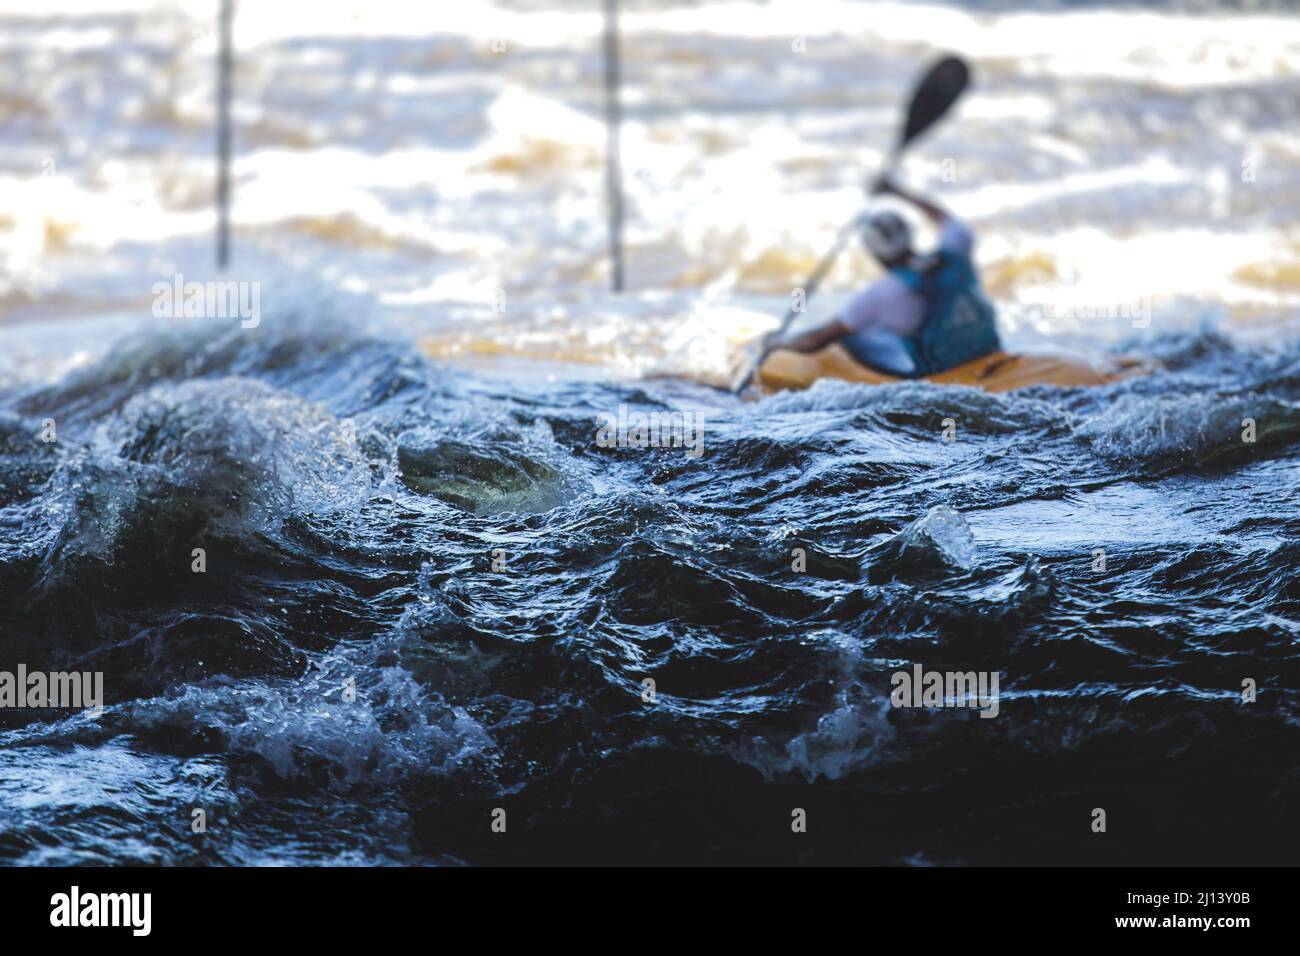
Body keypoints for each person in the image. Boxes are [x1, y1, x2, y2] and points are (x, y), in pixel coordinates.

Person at [765, 175, 1000, 378]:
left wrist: (778, 343)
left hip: (944, 369)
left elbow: (817, 340)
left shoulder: (883, 293)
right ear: (909, 235)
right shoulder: (955, 249)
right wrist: (895, 190)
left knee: (849, 337)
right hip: (986, 349)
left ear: (876, 255)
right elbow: (942, 217)